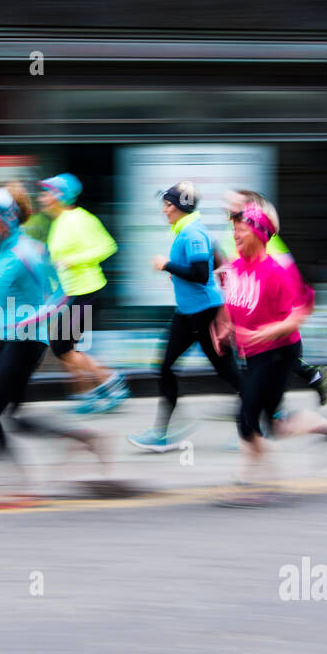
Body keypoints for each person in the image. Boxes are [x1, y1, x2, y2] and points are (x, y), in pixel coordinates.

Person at [0, 184, 110, 504]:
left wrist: (28, 320)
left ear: (6, 218)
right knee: (13, 417)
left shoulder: (28, 252)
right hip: (5, 340)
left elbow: (59, 294)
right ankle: (82, 437)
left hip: (24, 341)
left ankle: (16, 484)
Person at [222, 201, 327, 505]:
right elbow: (232, 304)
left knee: (246, 418)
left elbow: (300, 312)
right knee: (275, 424)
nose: (235, 235)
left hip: (278, 352)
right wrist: (225, 326)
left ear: (258, 233)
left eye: (240, 230)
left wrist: (265, 332)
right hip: (252, 352)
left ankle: (259, 484)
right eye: (234, 230)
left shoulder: (276, 272)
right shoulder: (235, 267)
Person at [128, 181, 243, 451]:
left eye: (167, 205)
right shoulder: (188, 230)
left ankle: (259, 421)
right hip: (187, 314)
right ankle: (164, 433)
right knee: (164, 367)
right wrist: (177, 272)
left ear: (180, 207)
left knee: (229, 373)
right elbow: (215, 263)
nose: (164, 210)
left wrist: (167, 265)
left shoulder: (192, 233)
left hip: (205, 315)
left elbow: (202, 274)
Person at [224, 190, 327, 406]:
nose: (229, 209)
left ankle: (266, 415)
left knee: (272, 362)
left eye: (236, 205)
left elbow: (293, 292)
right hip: (252, 319)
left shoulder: (268, 244)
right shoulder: (236, 233)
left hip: (272, 325)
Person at [37, 173, 128, 413]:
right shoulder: (59, 222)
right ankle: (87, 394)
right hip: (70, 294)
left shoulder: (80, 219)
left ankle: (109, 380)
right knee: (65, 347)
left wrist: (72, 261)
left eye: (46, 193)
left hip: (86, 292)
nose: (42, 198)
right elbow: (56, 258)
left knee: (62, 347)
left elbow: (108, 246)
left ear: (59, 196)